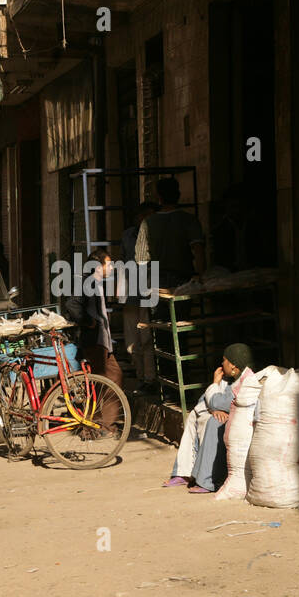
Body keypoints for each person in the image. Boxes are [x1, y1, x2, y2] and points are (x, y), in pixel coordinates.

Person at [164, 343, 253, 493]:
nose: (222, 363)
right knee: (194, 415)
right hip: (227, 414)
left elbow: (218, 402)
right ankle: (184, 473)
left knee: (214, 422)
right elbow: (207, 401)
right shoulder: (229, 380)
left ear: (233, 366)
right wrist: (214, 408)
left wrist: (215, 384)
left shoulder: (246, 381)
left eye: (225, 360)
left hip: (241, 424)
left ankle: (207, 480)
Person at [62, 249, 125, 433]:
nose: (112, 266)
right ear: (99, 266)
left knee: (103, 380)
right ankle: (100, 424)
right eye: (109, 263)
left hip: (100, 341)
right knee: (108, 379)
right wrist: (88, 322)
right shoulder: (87, 282)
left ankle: (98, 424)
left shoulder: (95, 283)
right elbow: (72, 305)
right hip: (94, 342)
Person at [135, 177, 205, 289]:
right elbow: (198, 251)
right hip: (184, 279)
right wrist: (201, 277)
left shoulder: (147, 223)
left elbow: (141, 258)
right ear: (178, 194)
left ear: (159, 197)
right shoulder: (189, 220)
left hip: (157, 281)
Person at [121, 202, 159, 392]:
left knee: (146, 338)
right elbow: (124, 261)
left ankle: (150, 379)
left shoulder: (156, 233)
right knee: (131, 341)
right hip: (130, 292)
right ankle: (140, 375)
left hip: (148, 290)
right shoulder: (128, 235)